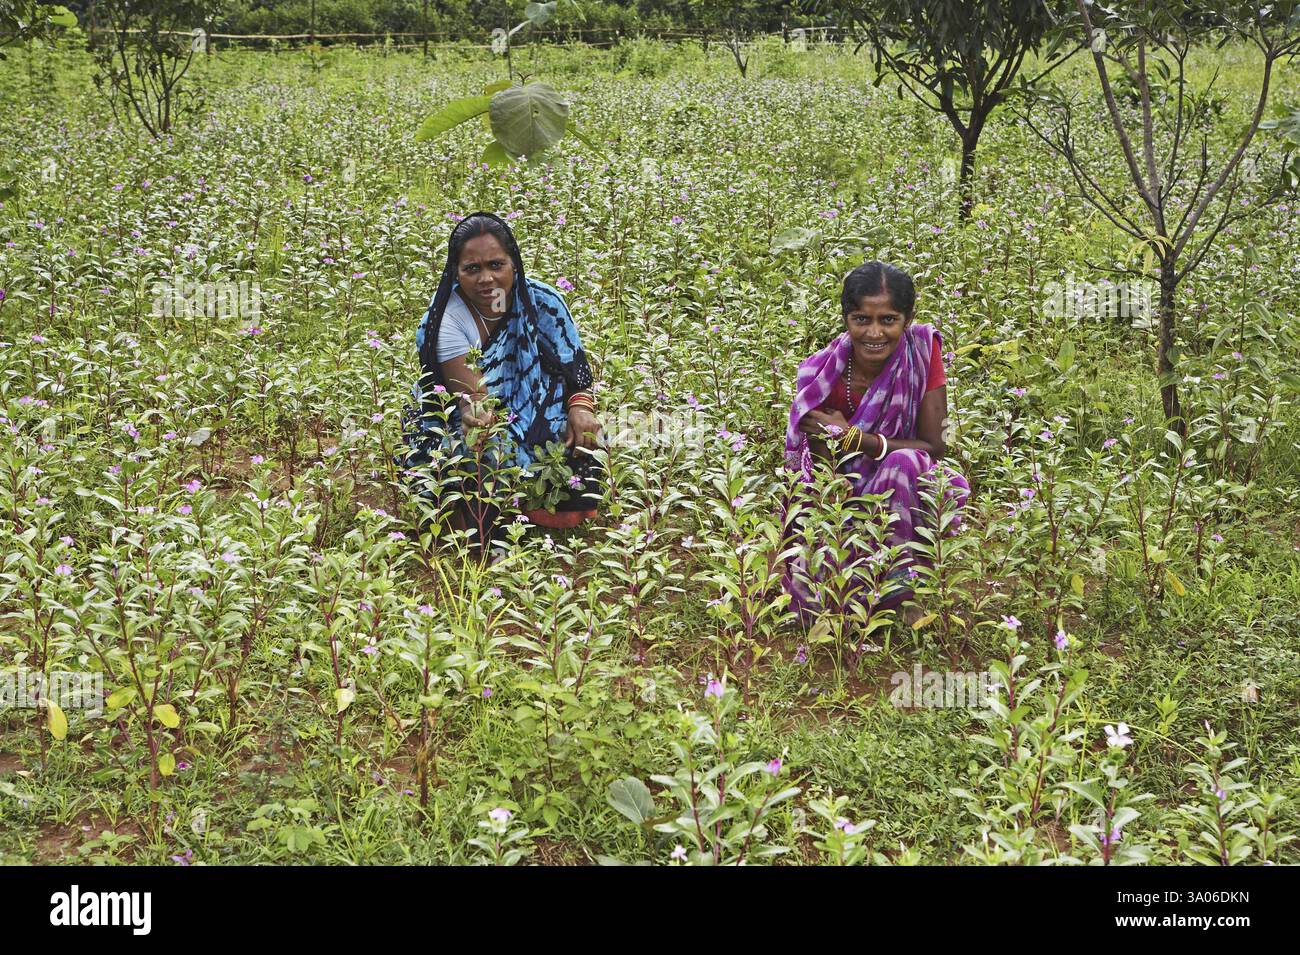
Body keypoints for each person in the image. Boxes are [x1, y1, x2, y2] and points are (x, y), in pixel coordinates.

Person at [400, 211, 604, 552]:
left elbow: (575, 373)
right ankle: (486, 521)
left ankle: (521, 506)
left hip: (536, 409)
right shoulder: (448, 321)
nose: (486, 279)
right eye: (472, 268)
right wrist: (477, 419)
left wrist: (581, 408)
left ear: (514, 264)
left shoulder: (544, 303)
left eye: (496, 265)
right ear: (456, 272)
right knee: (486, 452)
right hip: (462, 421)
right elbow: (473, 399)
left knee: (587, 440)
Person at [781, 261, 969, 621]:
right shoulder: (819, 375)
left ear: (908, 319)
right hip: (843, 495)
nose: (874, 332)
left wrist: (856, 438)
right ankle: (861, 585)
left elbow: (934, 446)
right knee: (818, 603)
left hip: (907, 490)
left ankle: (902, 589)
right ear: (846, 319)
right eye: (861, 319)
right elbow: (823, 475)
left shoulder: (922, 351)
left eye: (888, 320)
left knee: (905, 462)